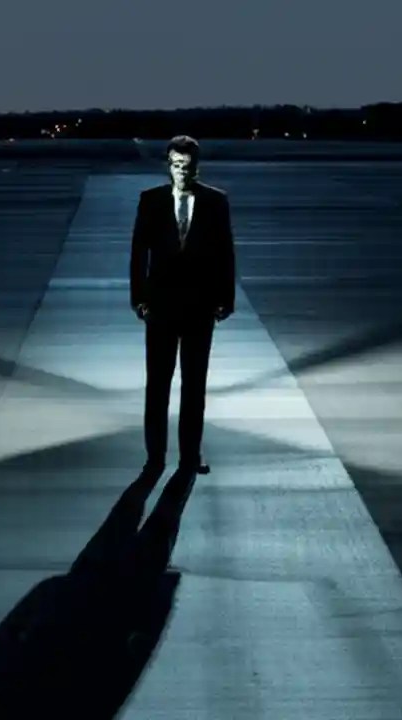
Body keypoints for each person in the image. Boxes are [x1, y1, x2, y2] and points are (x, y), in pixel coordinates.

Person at [129, 135, 236, 478]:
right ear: (168, 165)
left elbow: (225, 253)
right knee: (157, 386)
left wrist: (226, 299)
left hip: (199, 308)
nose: (181, 173)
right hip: (160, 308)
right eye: (176, 166)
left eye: (187, 167)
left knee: (194, 386)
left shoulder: (216, 202)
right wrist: (139, 300)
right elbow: (138, 254)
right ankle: (155, 458)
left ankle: (190, 457)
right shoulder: (150, 201)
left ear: (196, 167)